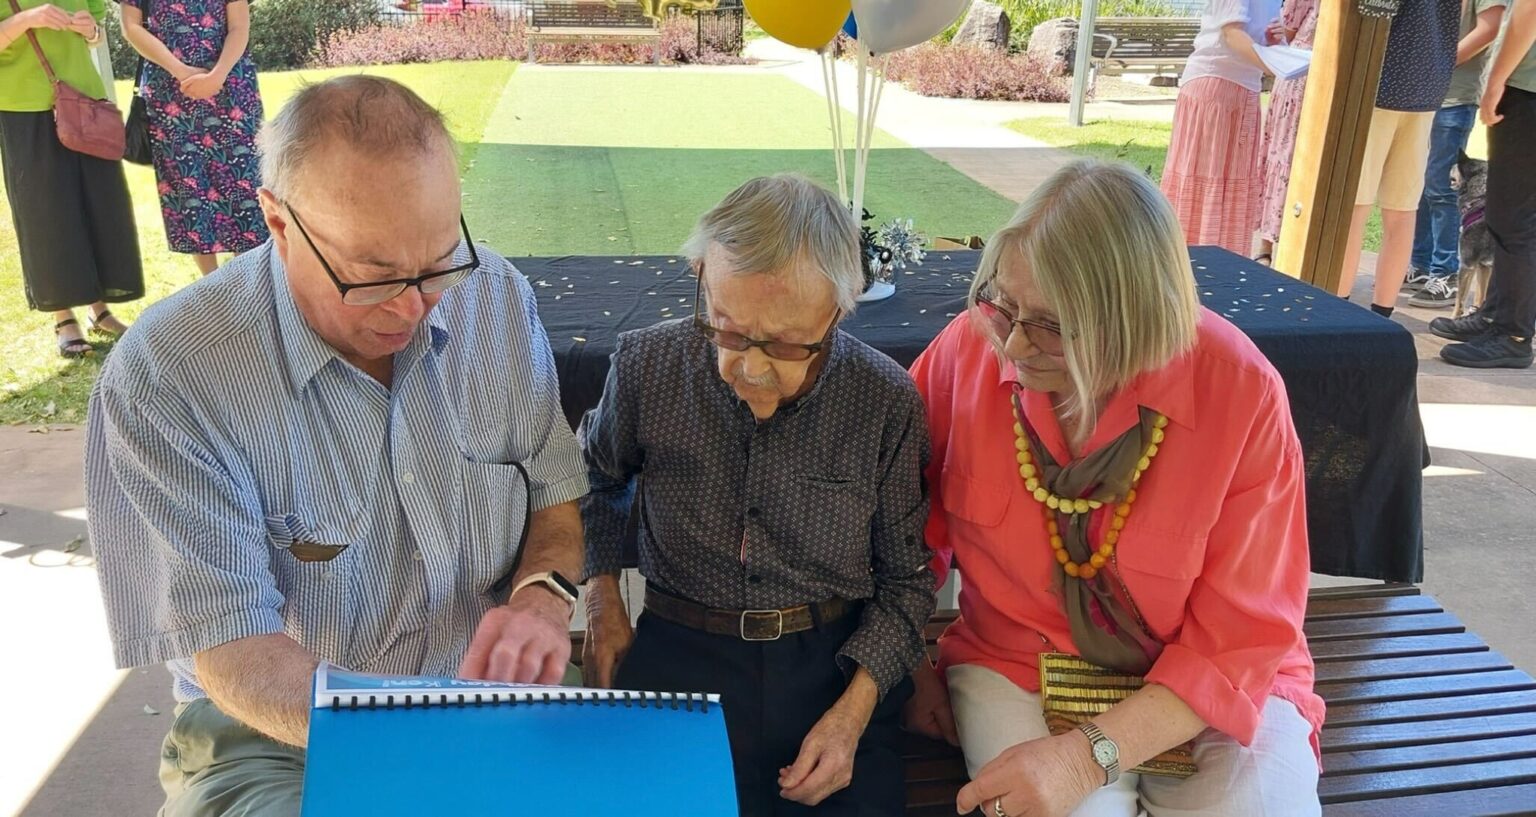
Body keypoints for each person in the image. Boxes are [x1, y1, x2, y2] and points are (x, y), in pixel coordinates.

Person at [85, 76, 590, 816]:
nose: (414, 306)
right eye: (374, 275)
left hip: (489, 705)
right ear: (277, 222)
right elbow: (238, 656)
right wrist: (419, 741)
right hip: (273, 734)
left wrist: (544, 599)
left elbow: (554, 494)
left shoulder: (499, 299)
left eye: (441, 261)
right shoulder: (170, 376)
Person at [906, 160, 1324, 817]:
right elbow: (898, 534)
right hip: (1020, 665)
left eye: (1050, 323)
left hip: (1212, 684)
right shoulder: (968, 349)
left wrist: (1087, 754)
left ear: (1136, 317)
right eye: (1004, 304)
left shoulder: (1241, 391)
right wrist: (906, 668)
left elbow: (1240, 637)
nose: (1013, 343)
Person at [578, 174, 936, 816]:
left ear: (840, 306)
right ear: (700, 275)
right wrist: (604, 604)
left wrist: (851, 717)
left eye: (787, 344)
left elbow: (907, 582)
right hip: (679, 657)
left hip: (831, 667)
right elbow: (595, 478)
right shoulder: (646, 366)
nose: (751, 367)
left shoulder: (884, 401)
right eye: (731, 330)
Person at [0, 0, 142, 357]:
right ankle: (64, 318)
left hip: (86, 100)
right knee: (46, 214)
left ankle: (100, 309)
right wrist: (27, 19)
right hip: (24, 107)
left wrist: (89, 31)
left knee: (100, 204)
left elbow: (95, 34)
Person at [120, 0, 267, 276]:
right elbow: (131, 27)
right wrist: (181, 71)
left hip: (231, 88)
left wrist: (218, 75)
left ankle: (249, 281)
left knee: (243, 182)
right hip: (170, 90)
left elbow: (239, 26)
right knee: (189, 187)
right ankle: (211, 286)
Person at [1334, 0, 1459, 317]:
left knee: (1354, 209)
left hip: (1378, 82)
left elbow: (1370, 11)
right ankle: (1382, 313)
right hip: (1428, 86)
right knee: (1402, 209)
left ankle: (1339, 309)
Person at [1429, 0, 1536, 368]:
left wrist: (1495, 79)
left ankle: (1513, 335)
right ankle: (1495, 316)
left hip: (1527, 90)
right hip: (1526, 87)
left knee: (1514, 220)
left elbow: (1529, 10)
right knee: (1509, 215)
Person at [1405, 0, 1507, 309]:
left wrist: (1439, 63)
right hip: (1423, 96)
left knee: (1442, 189)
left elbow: (1490, 28)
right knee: (1418, 186)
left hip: (1455, 97)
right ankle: (1421, 265)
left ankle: (1446, 272)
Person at [1160, 0, 1280, 255]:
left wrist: (1270, 40)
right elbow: (1231, 34)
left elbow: (1246, 34)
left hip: (1243, 91)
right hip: (1216, 88)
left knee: (1229, 194)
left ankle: (1220, 275)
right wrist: (1277, 65)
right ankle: (1189, 272)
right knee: (1205, 193)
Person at [1255, 0, 1319, 261]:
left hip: (1299, 73)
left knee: (1284, 156)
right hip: (1307, 76)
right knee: (1292, 159)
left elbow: (1286, 29)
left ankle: (1268, 246)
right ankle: (1278, 245)